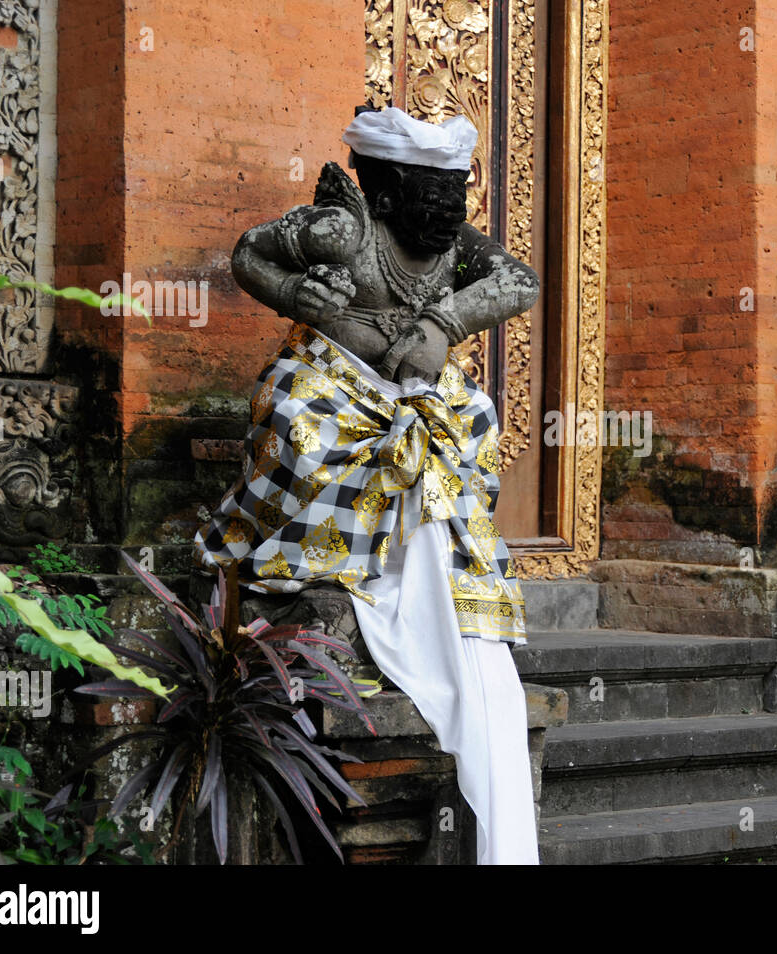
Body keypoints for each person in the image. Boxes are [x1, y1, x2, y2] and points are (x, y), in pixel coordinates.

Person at [194, 107, 540, 864]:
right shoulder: (340, 233)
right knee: (296, 420)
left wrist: (447, 318)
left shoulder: (455, 247)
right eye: (432, 191)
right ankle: (308, 552)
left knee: (472, 413)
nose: (449, 208)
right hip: (334, 385)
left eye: (457, 191)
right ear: (382, 192)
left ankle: (432, 560)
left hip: (415, 396)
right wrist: (294, 295)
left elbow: (522, 281)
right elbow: (249, 251)